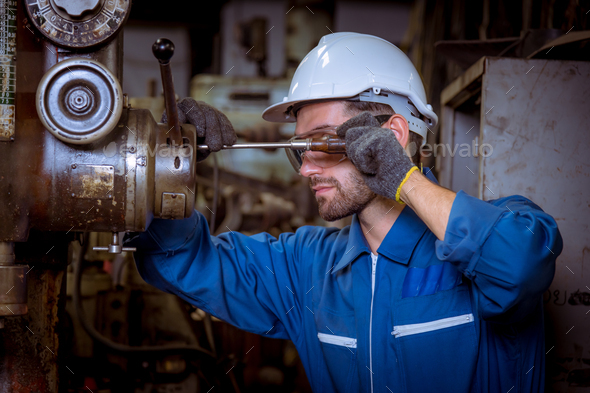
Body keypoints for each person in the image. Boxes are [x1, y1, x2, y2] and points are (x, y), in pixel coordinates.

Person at [128, 33, 562, 392]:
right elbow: (178, 260)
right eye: (300, 150)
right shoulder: (305, 268)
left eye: (323, 143)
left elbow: (519, 267)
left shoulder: (502, 232)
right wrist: (164, 166)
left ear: (391, 136)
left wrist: (403, 178)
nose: (307, 169)